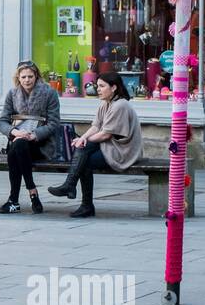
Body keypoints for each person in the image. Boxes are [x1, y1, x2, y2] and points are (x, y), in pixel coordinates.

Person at [48, 71, 143, 218]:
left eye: (102, 86)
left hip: (122, 151)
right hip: (109, 146)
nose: (98, 89)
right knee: (83, 150)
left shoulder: (120, 105)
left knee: (84, 157)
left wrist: (83, 140)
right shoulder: (105, 103)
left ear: (114, 88)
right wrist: (83, 138)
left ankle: (78, 196)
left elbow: (106, 134)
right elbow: (95, 127)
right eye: (97, 86)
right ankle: (73, 190)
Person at [0, 59, 62, 214]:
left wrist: (34, 135)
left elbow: (54, 123)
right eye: (23, 77)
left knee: (16, 148)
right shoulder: (12, 94)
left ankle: (14, 200)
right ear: (18, 78)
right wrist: (15, 132)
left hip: (41, 144)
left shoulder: (49, 93)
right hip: (19, 139)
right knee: (17, 146)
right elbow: (2, 122)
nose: (27, 80)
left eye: (30, 76)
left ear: (36, 76)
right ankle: (31, 194)